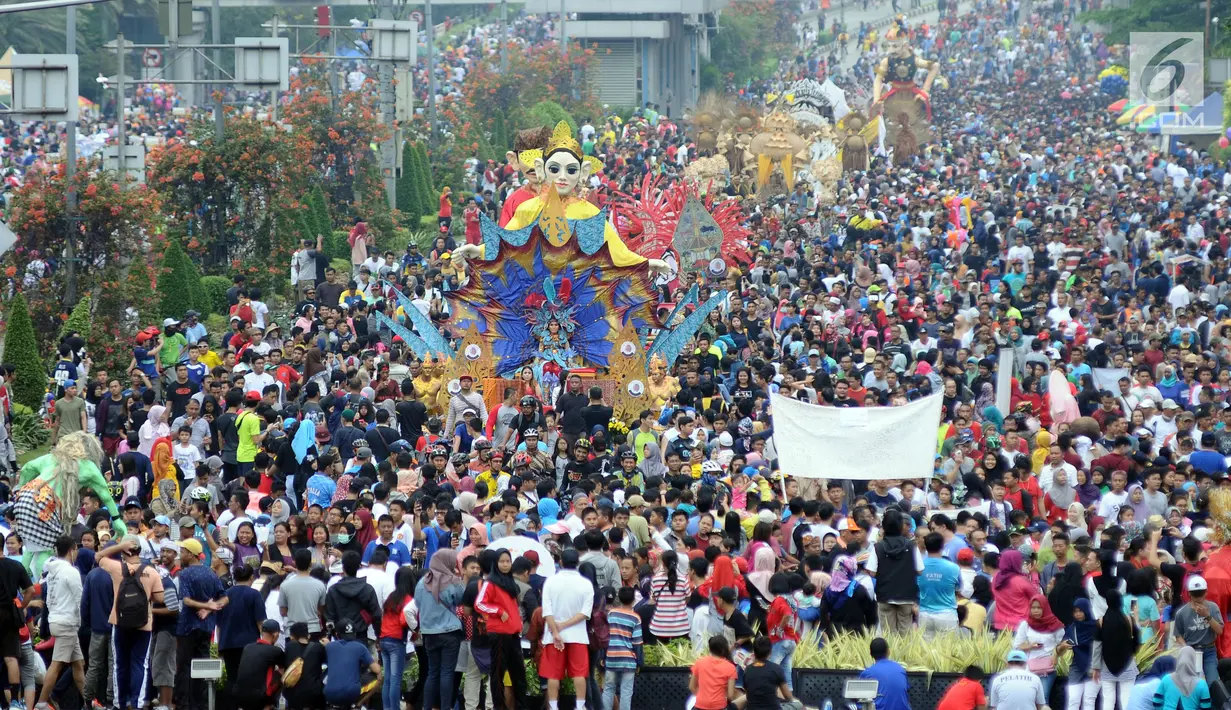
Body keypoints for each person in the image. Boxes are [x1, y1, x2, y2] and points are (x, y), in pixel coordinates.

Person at [96, 535, 166, 710]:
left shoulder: (116, 568)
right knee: (139, 664)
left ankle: (119, 703)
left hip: (119, 622)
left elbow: (98, 557)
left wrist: (119, 546)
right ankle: (137, 702)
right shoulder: (152, 571)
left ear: (125, 550)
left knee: (119, 663)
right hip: (144, 624)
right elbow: (160, 597)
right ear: (140, 550)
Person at [35, 536, 85, 710]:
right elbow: (80, 599)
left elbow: (48, 599)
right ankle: (42, 702)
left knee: (78, 663)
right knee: (57, 664)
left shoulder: (52, 572)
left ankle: (88, 701)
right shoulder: (71, 571)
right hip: (67, 622)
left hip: (56, 619)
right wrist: (81, 620)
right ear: (72, 549)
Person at [541, 549, 594, 710]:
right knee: (579, 673)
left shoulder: (550, 581)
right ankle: (579, 706)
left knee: (553, 674)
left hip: (552, 636)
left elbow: (547, 610)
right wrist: (564, 625)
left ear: (561, 562)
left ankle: (553, 706)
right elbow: (585, 613)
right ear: (577, 563)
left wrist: (556, 631)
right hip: (577, 635)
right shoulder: (586, 584)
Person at [415, 549, 465, 710]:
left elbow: (417, 603)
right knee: (447, 673)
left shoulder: (422, 582)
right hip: (450, 632)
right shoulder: (452, 581)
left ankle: (427, 707)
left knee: (433, 672)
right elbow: (460, 599)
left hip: (429, 633)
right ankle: (445, 707)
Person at [1172, 575, 1224, 686]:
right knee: (1192, 684)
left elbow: (1219, 630)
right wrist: (1186, 647)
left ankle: (1212, 703)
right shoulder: (1181, 613)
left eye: (1200, 594)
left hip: (1209, 649)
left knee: (1213, 683)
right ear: (1189, 594)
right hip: (1192, 650)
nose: (1198, 598)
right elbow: (1178, 634)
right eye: (1195, 595)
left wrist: (1207, 616)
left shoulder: (1213, 607)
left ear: (1206, 592)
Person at [323, 621, 382, 707]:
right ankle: (358, 704)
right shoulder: (360, 647)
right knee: (379, 676)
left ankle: (330, 705)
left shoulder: (329, 646)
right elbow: (377, 670)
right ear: (354, 633)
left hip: (329, 694)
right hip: (351, 694)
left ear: (337, 634)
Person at [602, 586, 643, 710]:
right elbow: (637, 643)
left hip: (611, 657)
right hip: (628, 660)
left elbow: (605, 636)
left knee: (608, 688)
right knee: (626, 691)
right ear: (633, 601)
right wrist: (639, 662)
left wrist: (603, 656)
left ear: (618, 598)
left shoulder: (611, 614)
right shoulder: (635, 618)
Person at [231, 619, 286, 710]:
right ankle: (268, 705)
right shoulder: (276, 651)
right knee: (283, 672)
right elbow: (284, 669)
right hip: (259, 698)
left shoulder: (247, 647)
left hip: (238, 695)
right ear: (275, 635)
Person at [743, 635, 800, 710]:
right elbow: (788, 696)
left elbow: (748, 695)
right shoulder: (776, 669)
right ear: (770, 652)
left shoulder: (747, 670)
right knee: (799, 705)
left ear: (754, 652)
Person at [690, 635, 740, 710]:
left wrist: (704, 698)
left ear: (710, 649)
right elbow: (730, 695)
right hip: (719, 706)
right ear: (724, 649)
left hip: (699, 706)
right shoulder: (730, 667)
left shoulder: (699, 663)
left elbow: (692, 687)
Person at [859, 638, 910, 710]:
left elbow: (861, 700)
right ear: (888, 651)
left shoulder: (867, 673)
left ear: (870, 653)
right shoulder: (900, 669)